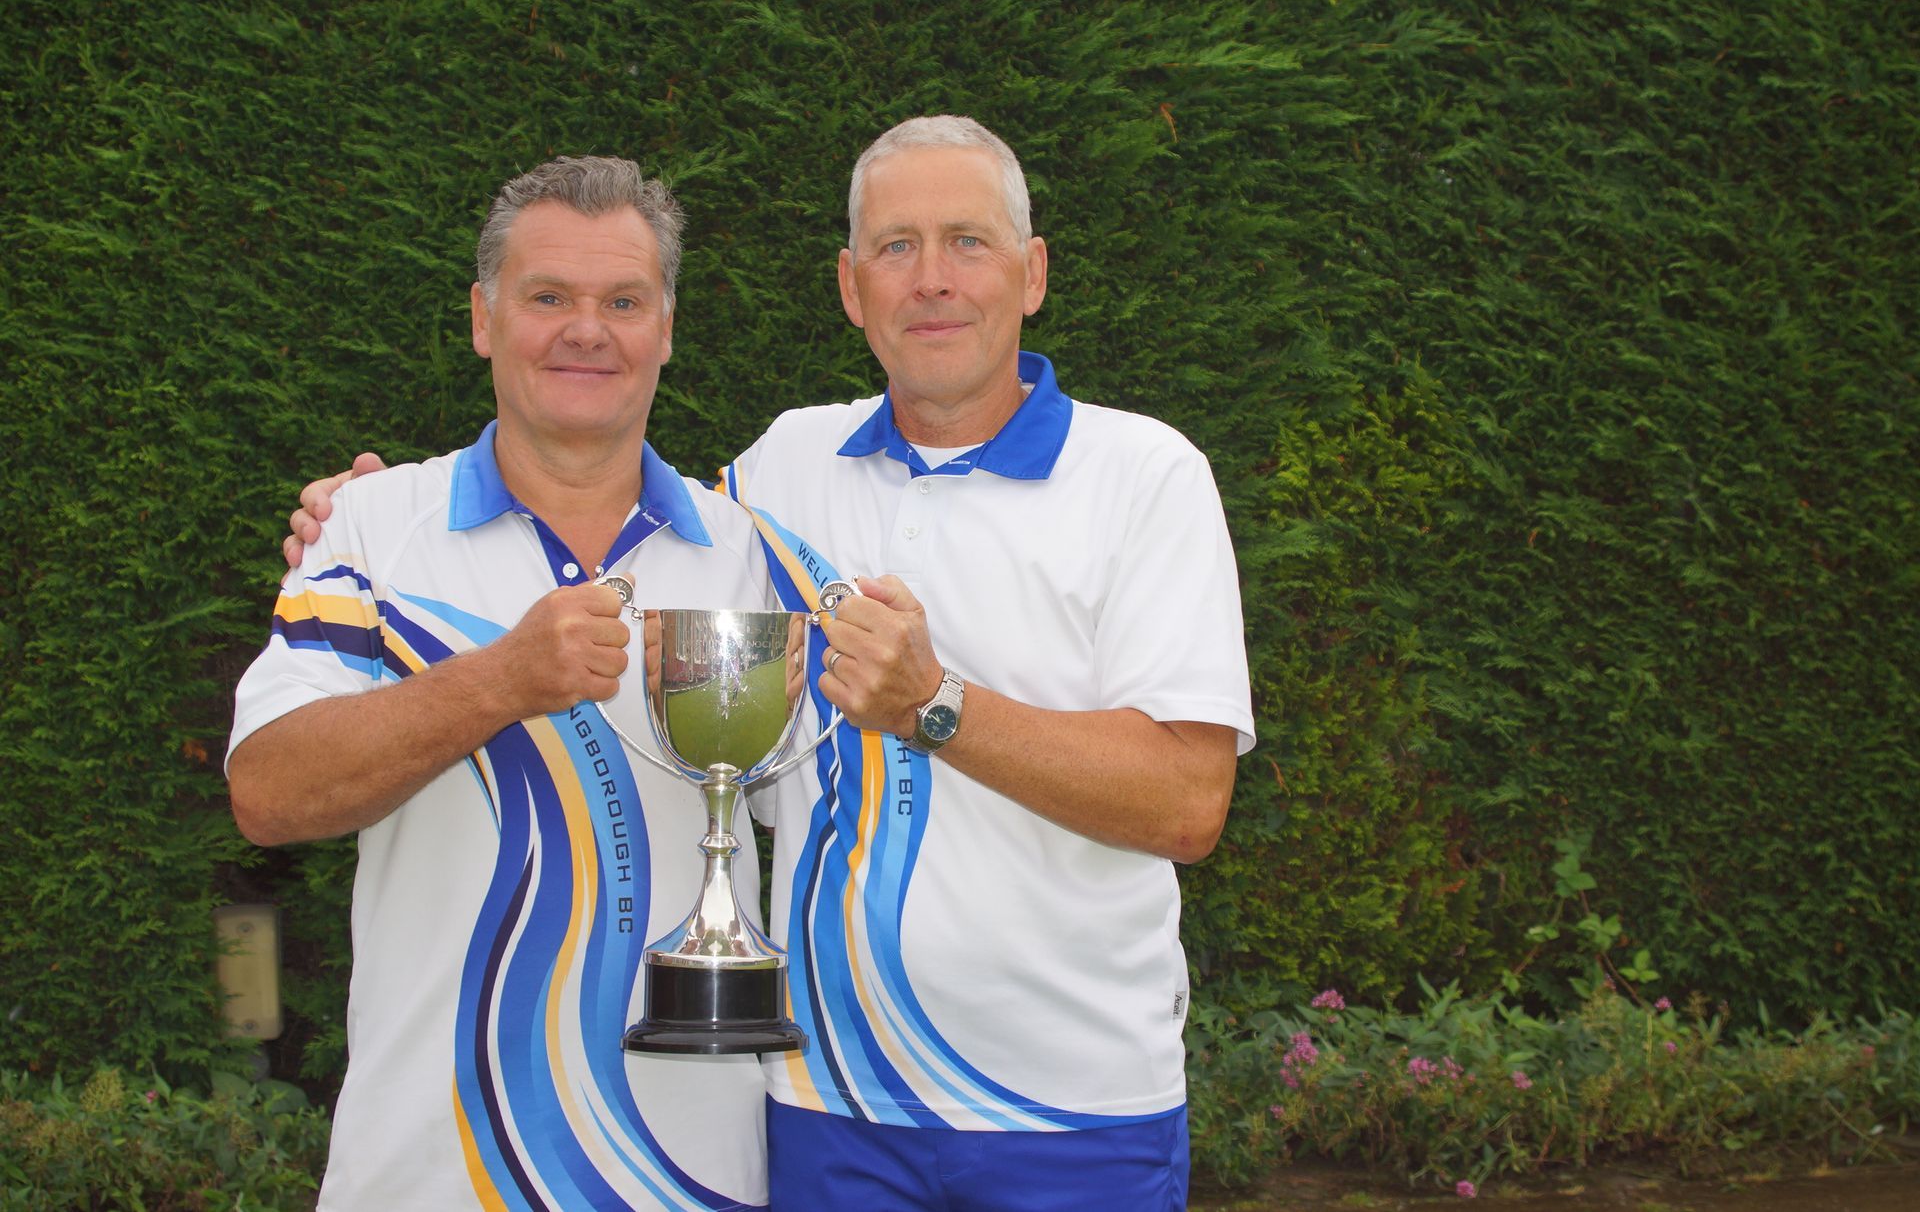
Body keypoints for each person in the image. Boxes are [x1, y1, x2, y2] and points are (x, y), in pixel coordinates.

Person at [285, 117, 1254, 1210]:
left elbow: (1187, 802)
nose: (932, 280)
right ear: (850, 287)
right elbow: (609, 523)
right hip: (822, 1105)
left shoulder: (1145, 474)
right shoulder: (780, 473)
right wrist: (359, 517)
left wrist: (937, 704)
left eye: (968, 242)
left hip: (1074, 1108)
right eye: (895, 248)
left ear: (1033, 273)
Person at [230, 156, 774, 1211]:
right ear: (484, 319)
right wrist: (500, 679)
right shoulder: (372, 529)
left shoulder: (753, 553)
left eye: (624, 300)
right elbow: (267, 793)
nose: (587, 330)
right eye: (548, 298)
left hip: (694, 1167)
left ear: (667, 325)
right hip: (428, 1169)